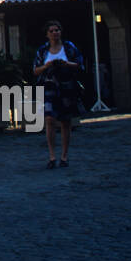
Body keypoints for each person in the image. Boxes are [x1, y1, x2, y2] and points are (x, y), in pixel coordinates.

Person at [33, 20, 84, 168]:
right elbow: (35, 70)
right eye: (52, 31)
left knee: (65, 121)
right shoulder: (43, 51)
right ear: (47, 34)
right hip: (50, 86)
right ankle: (51, 156)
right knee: (49, 119)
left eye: (57, 30)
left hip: (66, 86)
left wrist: (66, 64)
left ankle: (64, 156)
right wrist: (46, 66)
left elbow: (80, 65)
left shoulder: (69, 47)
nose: (55, 33)